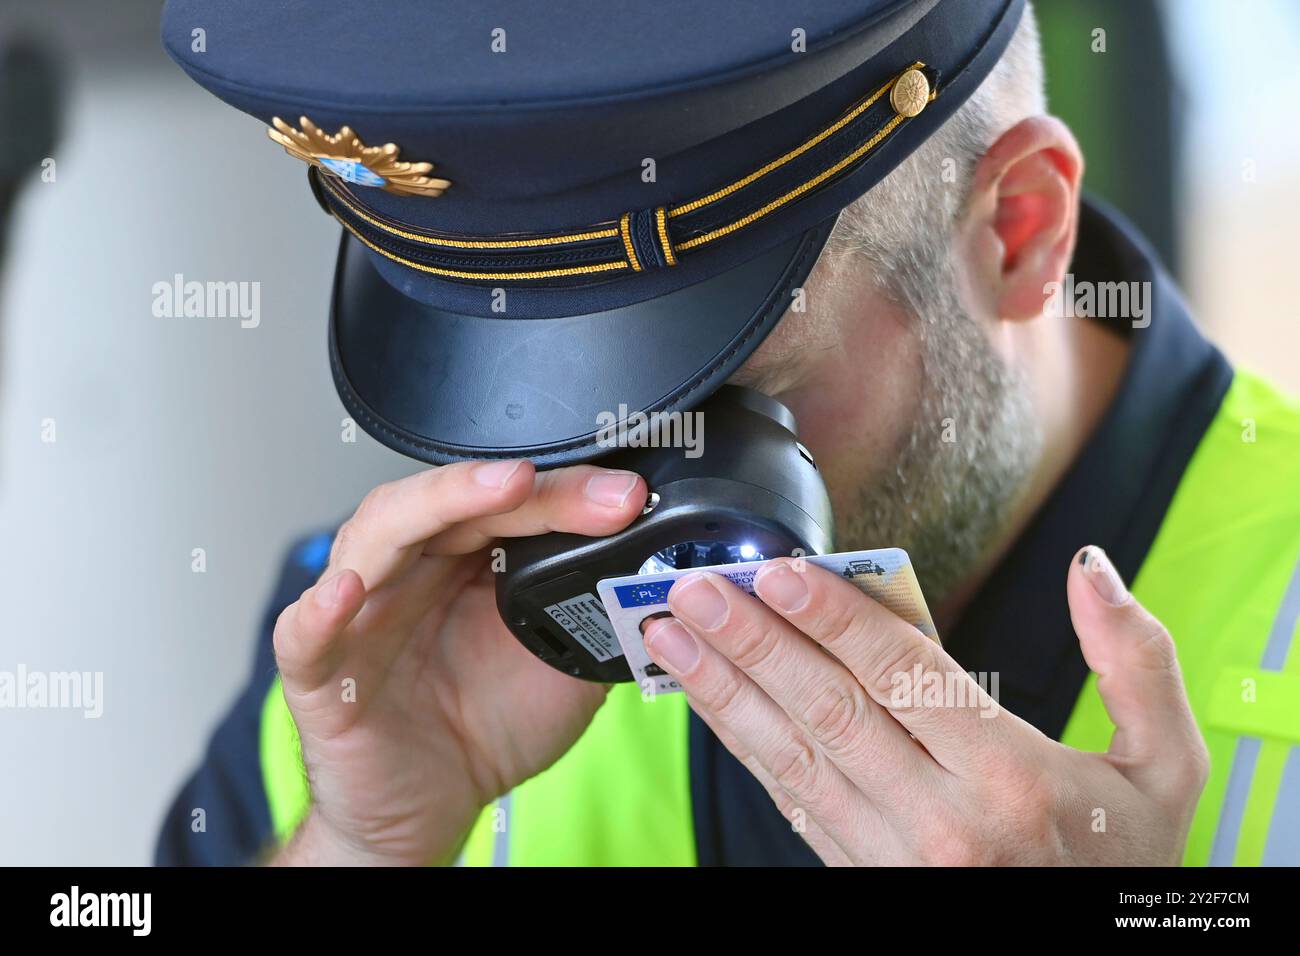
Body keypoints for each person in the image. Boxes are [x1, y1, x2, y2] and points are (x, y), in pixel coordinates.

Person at [156, 0, 1300, 866]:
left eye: (705, 402)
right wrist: (364, 844)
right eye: (523, 399)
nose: (590, 486)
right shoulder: (378, 656)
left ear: (1017, 227)